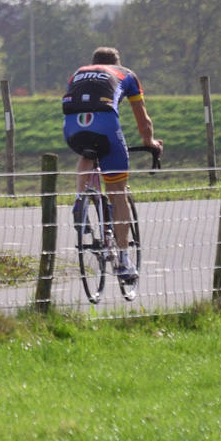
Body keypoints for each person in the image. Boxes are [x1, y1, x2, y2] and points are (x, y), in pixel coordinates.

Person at [61, 47, 161, 286]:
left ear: (93, 62)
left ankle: (80, 199)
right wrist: (150, 142)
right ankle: (125, 262)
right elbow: (142, 118)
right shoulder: (126, 74)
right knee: (117, 193)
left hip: (72, 125)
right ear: (117, 62)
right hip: (105, 123)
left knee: (87, 151)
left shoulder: (78, 73)